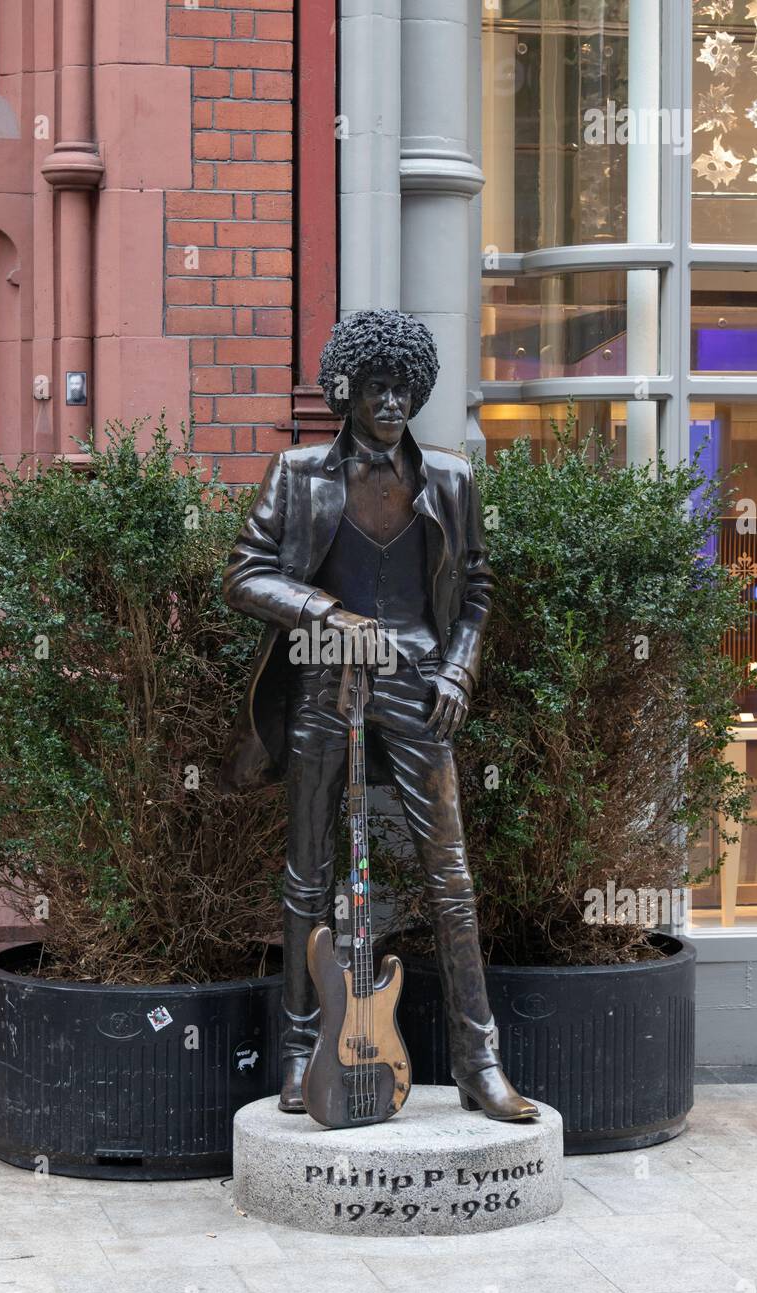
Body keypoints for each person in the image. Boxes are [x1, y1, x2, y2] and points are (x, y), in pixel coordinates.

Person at [220, 309, 538, 1122]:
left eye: (403, 387)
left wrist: (462, 667)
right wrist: (321, 613)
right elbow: (246, 574)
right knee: (307, 875)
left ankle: (480, 1061)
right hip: (324, 678)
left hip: (420, 678)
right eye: (375, 387)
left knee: (453, 879)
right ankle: (298, 1055)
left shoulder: (452, 478)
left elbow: (476, 590)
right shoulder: (298, 475)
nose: (391, 401)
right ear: (347, 390)